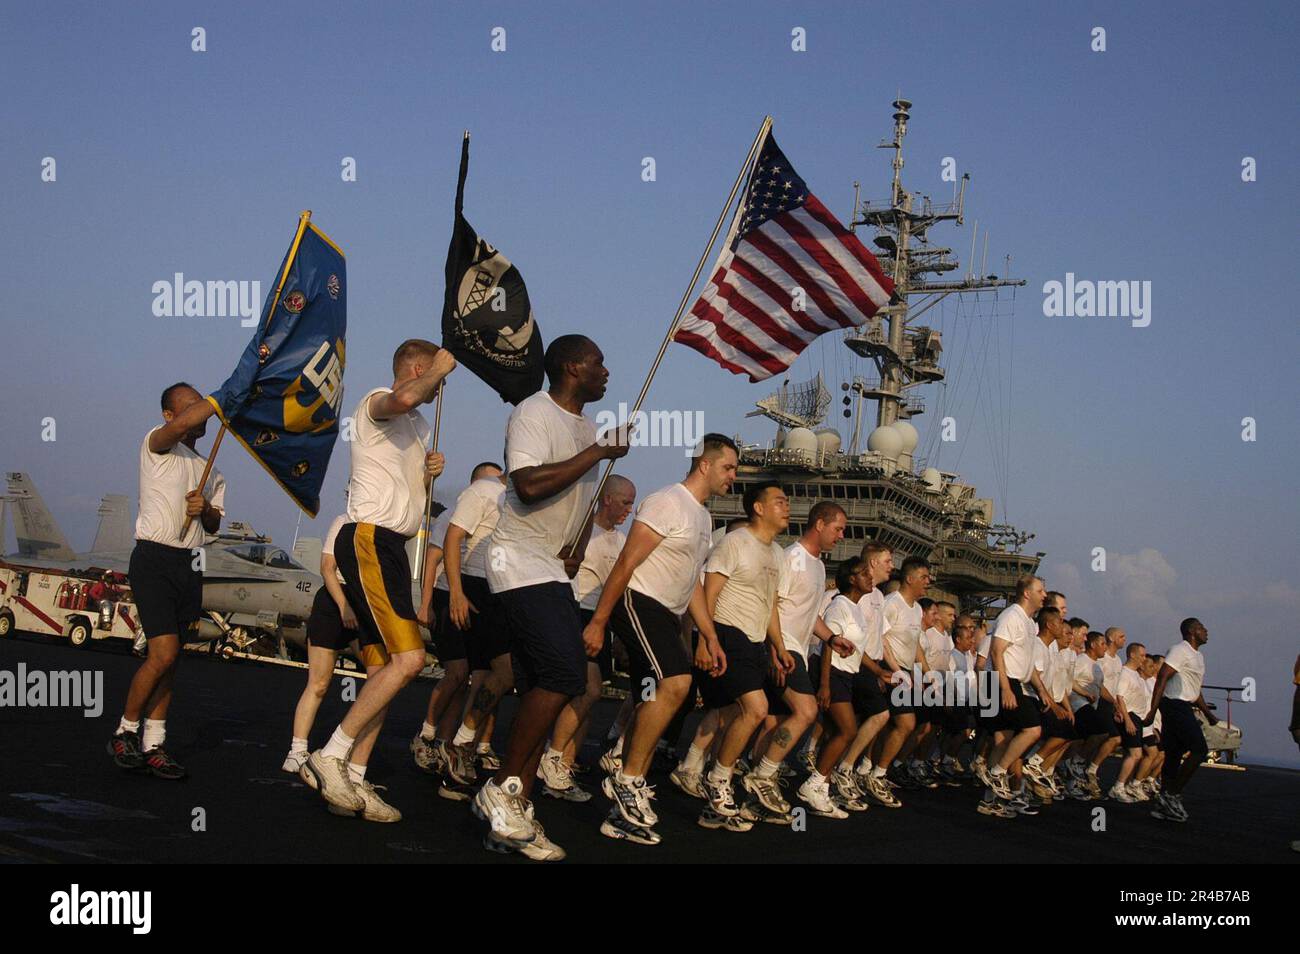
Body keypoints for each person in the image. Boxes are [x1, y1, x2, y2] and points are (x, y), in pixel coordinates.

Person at [472, 335, 629, 862]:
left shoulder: (585, 427)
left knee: (551, 681)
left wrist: (576, 550)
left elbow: (579, 506)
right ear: (570, 366)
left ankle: (513, 812)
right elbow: (529, 485)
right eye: (598, 362)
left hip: (552, 568)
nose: (606, 371)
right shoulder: (532, 413)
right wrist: (600, 451)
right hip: (516, 559)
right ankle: (500, 788)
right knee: (566, 674)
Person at [300, 339, 453, 822]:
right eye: (436, 376)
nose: (439, 387)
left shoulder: (418, 426)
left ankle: (358, 778)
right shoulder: (375, 404)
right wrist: (443, 365)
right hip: (367, 539)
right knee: (411, 660)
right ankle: (330, 754)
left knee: (383, 671)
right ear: (415, 367)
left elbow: (406, 493)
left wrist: (427, 476)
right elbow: (405, 397)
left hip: (392, 547)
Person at [583, 437, 736, 844]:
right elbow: (626, 561)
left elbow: (694, 587)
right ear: (705, 465)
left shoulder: (703, 519)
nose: (733, 477)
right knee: (677, 683)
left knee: (660, 695)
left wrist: (710, 636)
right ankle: (628, 778)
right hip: (638, 601)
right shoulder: (667, 502)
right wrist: (599, 621)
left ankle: (623, 806)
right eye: (729, 468)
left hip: (669, 613)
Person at [108, 382, 225, 780]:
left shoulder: (211, 470)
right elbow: (182, 427)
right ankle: (125, 731)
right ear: (169, 416)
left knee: (172, 661)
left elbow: (215, 525)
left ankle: (154, 743)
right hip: (155, 557)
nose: (201, 414)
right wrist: (220, 400)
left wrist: (205, 508)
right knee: (162, 654)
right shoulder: (156, 447)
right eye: (191, 407)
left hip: (190, 561)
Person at [681, 481, 790, 833]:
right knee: (756, 709)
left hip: (756, 642)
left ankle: (710, 803)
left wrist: (779, 647)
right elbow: (708, 592)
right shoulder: (733, 543)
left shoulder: (776, 553)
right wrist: (703, 641)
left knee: (731, 714)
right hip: (727, 634)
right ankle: (719, 780)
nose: (787, 507)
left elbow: (770, 604)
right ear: (758, 508)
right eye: (779, 501)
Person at [540, 474, 636, 801]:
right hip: (574, 613)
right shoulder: (580, 531)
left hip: (601, 619)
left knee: (587, 697)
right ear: (607, 499)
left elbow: (620, 591)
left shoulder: (622, 543)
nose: (629, 510)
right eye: (625, 502)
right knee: (589, 689)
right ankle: (551, 757)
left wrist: (620, 636)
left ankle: (562, 770)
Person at [283, 508, 388, 787]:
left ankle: (353, 764)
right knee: (318, 683)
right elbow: (327, 568)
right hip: (334, 602)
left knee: (382, 680)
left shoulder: (385, 525)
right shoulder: (342, 520)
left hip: (366, 604)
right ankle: (296, 751)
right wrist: (344, 607)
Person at [441, 462, 511, 789]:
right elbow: (453, 536)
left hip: (507, 592)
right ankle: (446, 741)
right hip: (476, 586)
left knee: (492, 675)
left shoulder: (529, 501)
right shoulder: (484, 490)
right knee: (478, 672)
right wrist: (455, 591)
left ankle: (461, 745)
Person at [1142, 618, 1215, 823]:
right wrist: (1152, 711)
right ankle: (1171, 794)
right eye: (1202, 627)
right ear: (1192, 631)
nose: (1206, 630)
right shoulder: (1180, 650)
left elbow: (1194, 689)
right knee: (1199, 750)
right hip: (1175, 706)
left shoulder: (1198, 656)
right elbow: (1162, 677)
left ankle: (1164, 803)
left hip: (1183, 705)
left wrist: (1209, 715)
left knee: (1173, 753)